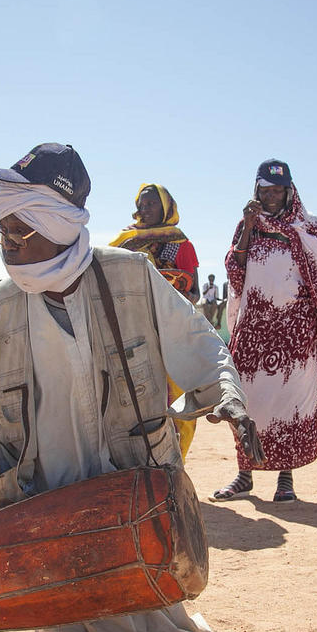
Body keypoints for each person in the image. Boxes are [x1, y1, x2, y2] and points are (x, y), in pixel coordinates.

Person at [0, 142, 261, 632]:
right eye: (3, 229)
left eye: (22, 229)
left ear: (62, 222)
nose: (8, 243)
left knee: (148, 603)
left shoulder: (131, 276)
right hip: (45, 493)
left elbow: (198, 341)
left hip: (129, 472)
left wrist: (227, 397)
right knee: (66, 621)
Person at [210, 158, 317, 503]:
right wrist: (247, 226)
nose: (272, 196)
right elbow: (235, 270)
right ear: (256, 191)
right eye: (266, 190)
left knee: (289, 403)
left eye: (278, 190)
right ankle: (244, 475)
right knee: (247, 401)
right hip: (254, 328)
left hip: (294, 331)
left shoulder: (308, 228)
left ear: (289, 191)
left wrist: (315, 280)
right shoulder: (249, 225)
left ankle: (285, 478)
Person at [110, 183, 203, 456]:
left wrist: (173, 290)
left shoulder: (182, 244)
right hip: (132, 330)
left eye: (151, 204)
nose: (143, 209)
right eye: (141, 203)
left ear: (166, 208)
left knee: (179, 400)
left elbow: (194, 292)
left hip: (173, 330)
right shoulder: (124, 242)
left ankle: (175, 467)